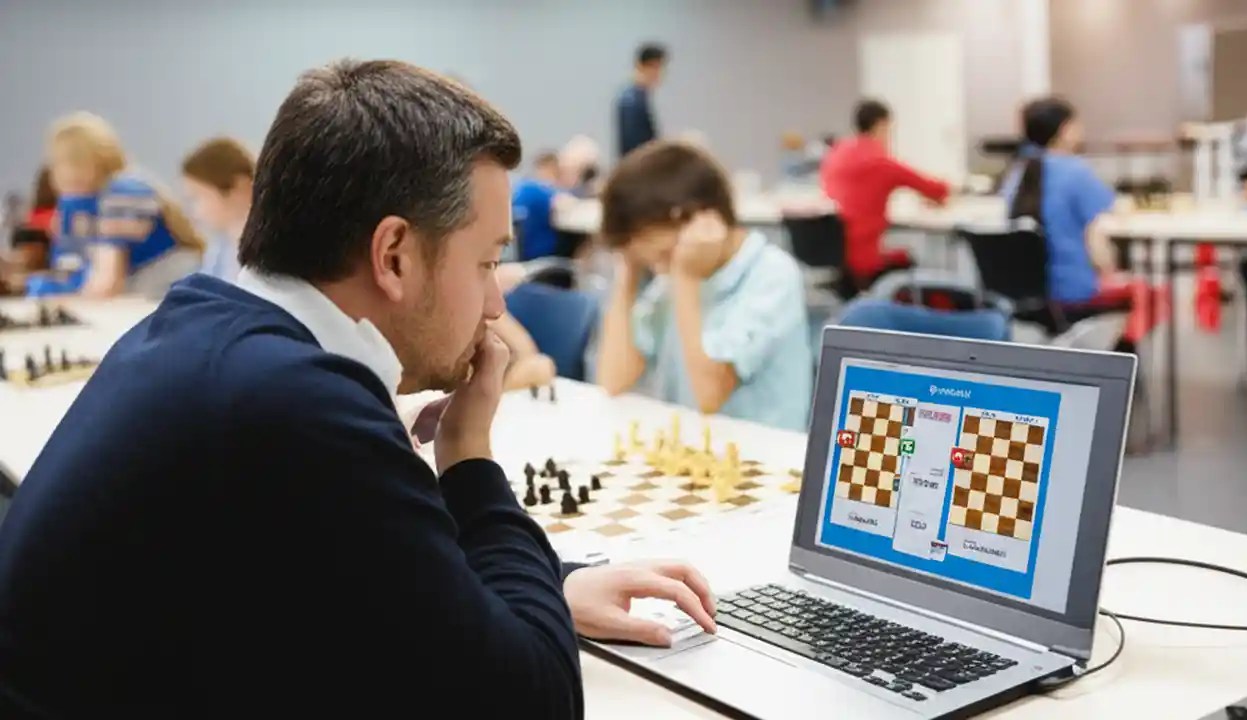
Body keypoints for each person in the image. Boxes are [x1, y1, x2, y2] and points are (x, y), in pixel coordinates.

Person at [0, 60, 716, 718]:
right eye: (486, 262)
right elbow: (533, 701)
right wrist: (469, 455)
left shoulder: (211, 328)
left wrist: (549, 585)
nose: (496, 305)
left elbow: (381, 558)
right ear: (394, 255)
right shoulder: (295, 402)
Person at [596, 140, 812, 431]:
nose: (660, 269)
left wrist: (686, 279)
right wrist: (628, 277)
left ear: (697, 219)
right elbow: (614, 380)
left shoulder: (772, 275)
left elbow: (709, 396)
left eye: (662, 256)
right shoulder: (668, 280)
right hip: (694, 451)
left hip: (760, 462)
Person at [28, 112, 204, 298]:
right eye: (59, 162)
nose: (66, 172)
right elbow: (72, 271)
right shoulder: (73, 205)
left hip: (166, 284)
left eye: (76, 161)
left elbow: (107, 284)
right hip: (131, 286)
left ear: (99, 159)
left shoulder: (124, 192)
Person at [820, 100, 950, 294]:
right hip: (865, 260)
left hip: (835, 254)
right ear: (881, 125)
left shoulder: (836, 154)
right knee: (908, 258)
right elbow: (937, 190)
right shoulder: (880, 162)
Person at [1002, 97, 1119, 305]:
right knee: (1152, 294)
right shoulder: (1076, 172)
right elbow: (1097, 234)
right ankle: (1123, 339)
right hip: (1075, 290)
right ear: (1065, 130)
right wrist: (1111, 273)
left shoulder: (1017, 173)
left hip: (1022, 292)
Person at [181, 137, 255, 282]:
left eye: (197, 198)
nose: (194, 212)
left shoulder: (264, 252)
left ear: (239, 187)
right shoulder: (222, 246)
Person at [615, 42, 667, 158]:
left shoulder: (639, 98)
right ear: (640, 66)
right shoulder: (631, 101)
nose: (658, 73)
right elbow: (635, 147)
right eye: (654, 67)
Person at [511, 151, 564, 261]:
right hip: (543, 259)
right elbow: (566, 204)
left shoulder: (520, 188)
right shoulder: (547, 193)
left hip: (519, 257)